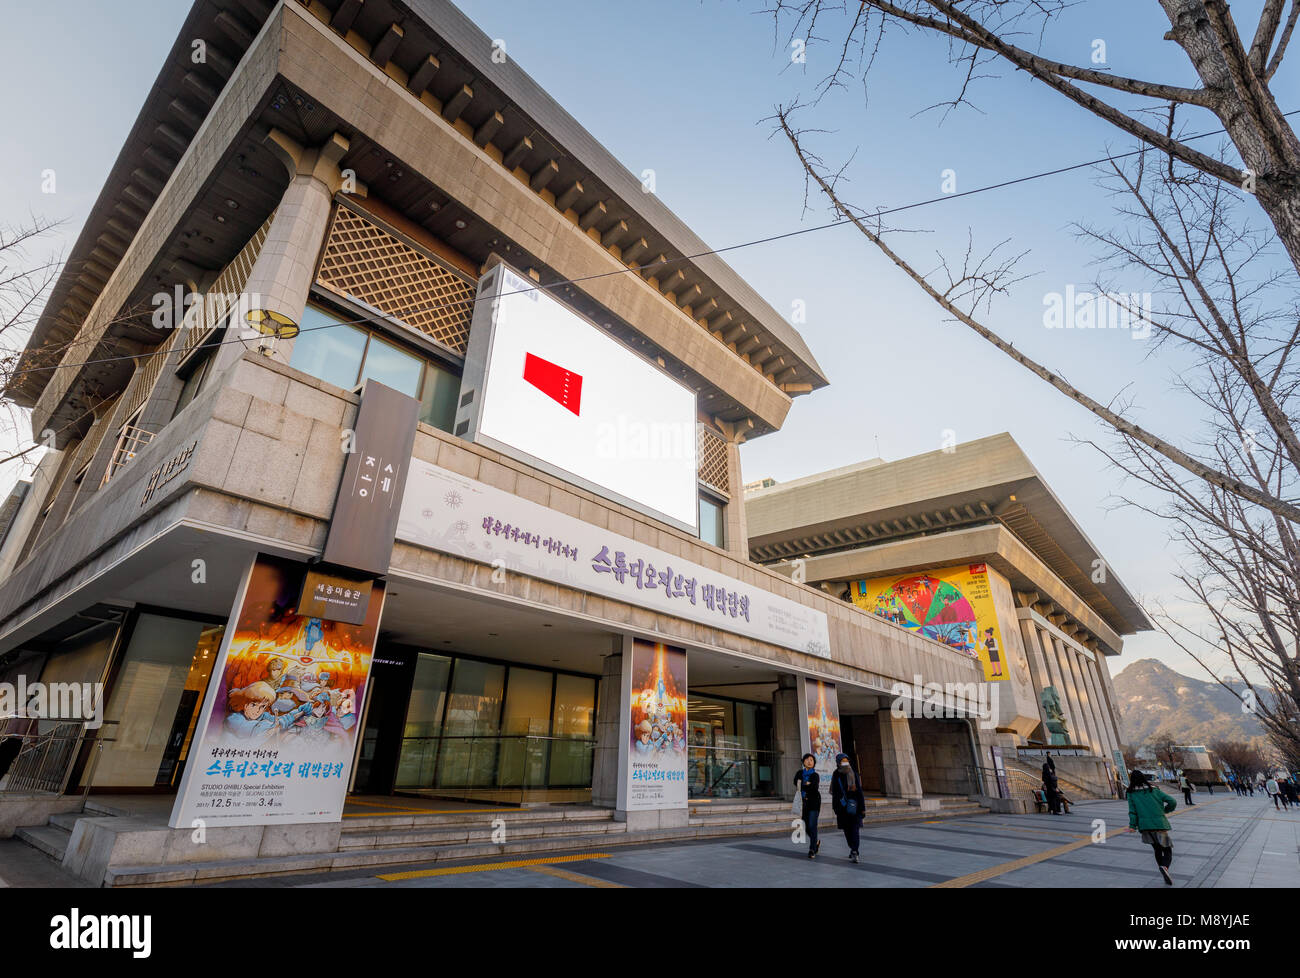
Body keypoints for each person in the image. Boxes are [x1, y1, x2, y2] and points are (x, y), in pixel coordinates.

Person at [1127, 770, 1178, 885]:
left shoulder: (1130, 793)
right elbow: (1172, 801)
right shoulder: (1154, 790)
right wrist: (1165, 810)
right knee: (1167, 849)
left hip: (1145, 827)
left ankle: (1163, 869)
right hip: (1159, 825)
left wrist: (1132, 826)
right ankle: (1165, 867)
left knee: (1157, 849)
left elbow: (1132, 811)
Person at [830, 752, 866, 863]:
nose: (845, 763)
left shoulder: (853, 773)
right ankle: (852, 847)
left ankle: (855, 850)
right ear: (838, 763)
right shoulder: (836, 774)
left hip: (854, 806)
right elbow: (835, 793)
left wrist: (862, 808)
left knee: (855, 829)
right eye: (843, 761)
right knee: (847, 831)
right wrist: (835, 807)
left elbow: (859, 791)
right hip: (842, 808)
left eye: (846, 760)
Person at [793, 752, 821, 859]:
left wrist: (804, 784)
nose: (810, 762)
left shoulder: (815, 775)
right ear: (803, 761)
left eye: (812, 760)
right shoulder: (799, 773)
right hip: (803, 803)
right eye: (807, 759)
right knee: (805, 826)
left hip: (814, 802)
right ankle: (816, 841)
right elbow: (795, 782)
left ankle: (812, 849)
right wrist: (806, 784)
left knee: (812, 825)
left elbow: (814, 787)